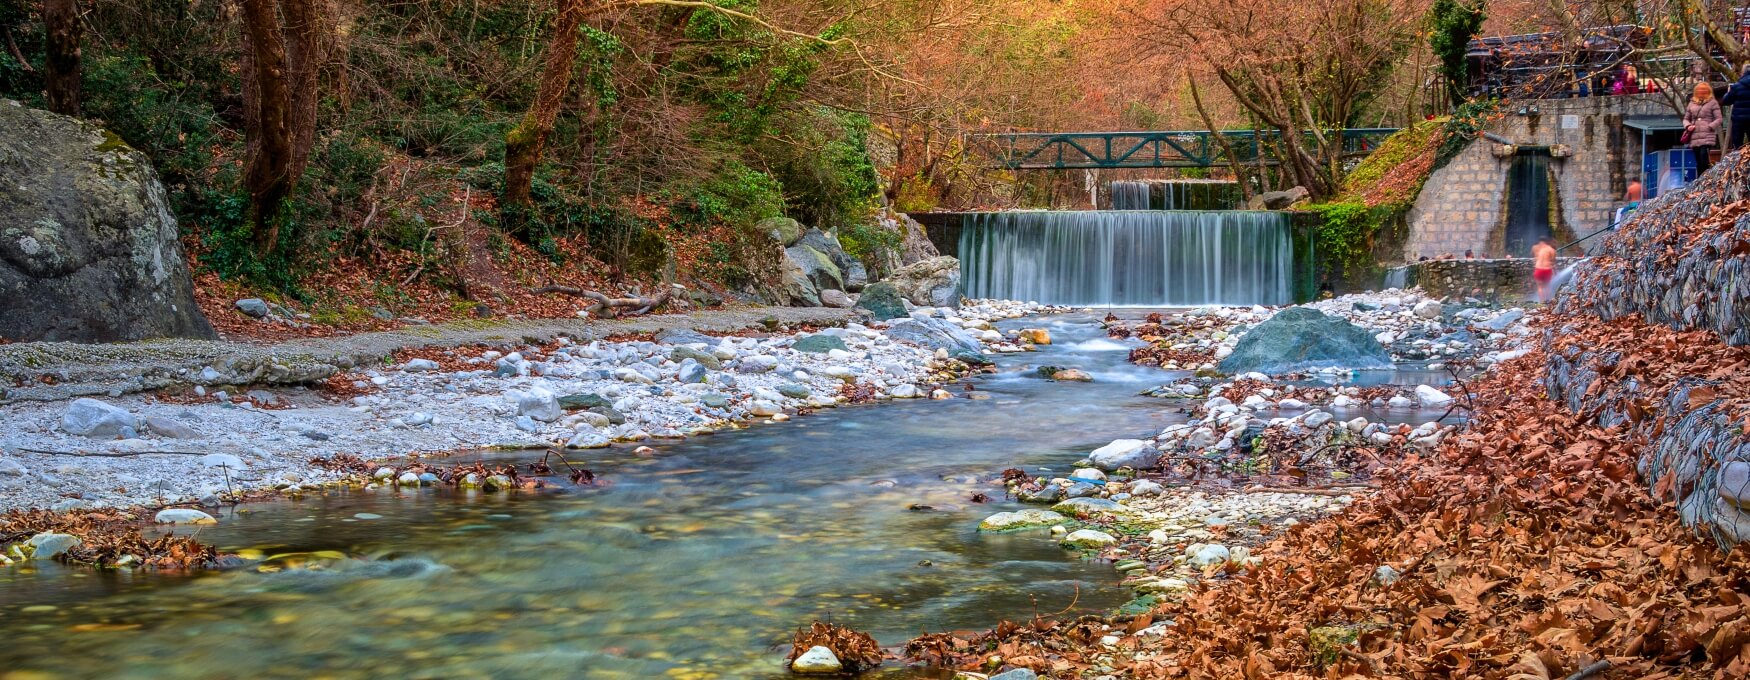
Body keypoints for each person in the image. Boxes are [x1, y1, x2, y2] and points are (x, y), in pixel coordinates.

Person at [1685, 82, 1723, 175]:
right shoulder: (1691, 103)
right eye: (1700, 90)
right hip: (1694, 135)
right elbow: (1686, 118)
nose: (1702, 92)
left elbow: (1719, 118)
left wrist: (1710, 126)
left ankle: (1706, 178)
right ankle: (1699, 181)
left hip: (1707, 135)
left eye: (1704, 90)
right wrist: (1688, 126)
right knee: (1698, 161)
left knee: (1704, 158)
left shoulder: (1712, 102)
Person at [1721, 65, 1750, 150]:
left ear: (1743, 73)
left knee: (1738, 145)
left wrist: (1728, 92)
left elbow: (1726, 101)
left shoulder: (1737, 86)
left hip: (1739, 120)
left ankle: (1738, 161)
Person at [1532, 236, 1558, 301]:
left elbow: (1536, 258)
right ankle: (1547, 300)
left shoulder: (1541, 250)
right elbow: (1553, 262)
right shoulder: (1552, 250)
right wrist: (1555, 271)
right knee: (1547, 286)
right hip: (1547, 269)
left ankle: (1542, 301)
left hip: (1538, 269)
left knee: (1540, 287)